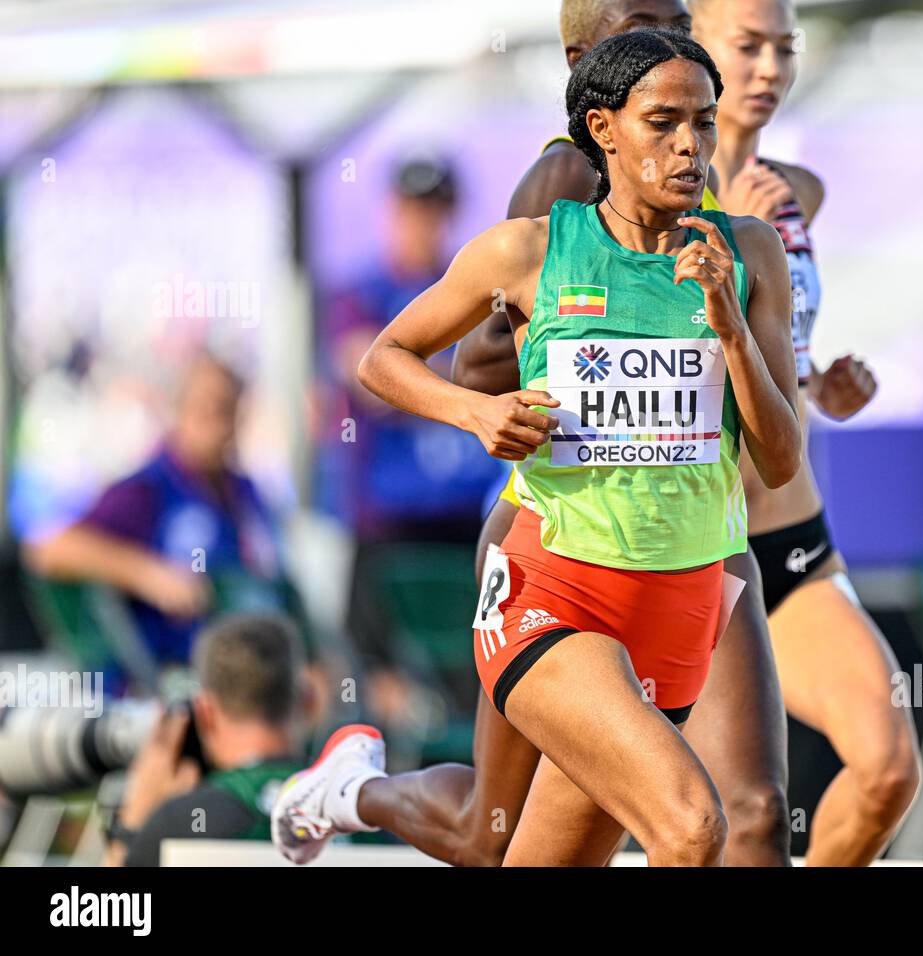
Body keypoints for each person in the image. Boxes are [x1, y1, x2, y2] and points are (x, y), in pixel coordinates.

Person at [274, 26, 800, 866]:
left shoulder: (748, 254)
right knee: (692, 826)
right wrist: (475, 414)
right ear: (603, 129)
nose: (689, 145)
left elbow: (779, 461)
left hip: (682, 607)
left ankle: (346, 791)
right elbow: (384, 359)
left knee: (499, 846)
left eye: (703, 123)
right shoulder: (530, 248)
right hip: (555, 588)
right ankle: (352, 788)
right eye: (663, 122)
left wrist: (732, 333)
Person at [687, 0, 922, 866]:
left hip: (789, 537)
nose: (769, 70)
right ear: (695, 43)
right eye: (746, 46)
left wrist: (826, 387)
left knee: (889, 768)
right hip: (689, 549)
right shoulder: (659, 191)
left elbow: (780, 364)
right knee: (738, 823)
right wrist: (726, 227)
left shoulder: (796, 191)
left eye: (784, 49)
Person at [316, 157, 500, 725]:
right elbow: (369, 375)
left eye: (434, 209)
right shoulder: (362, 291)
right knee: (371, 684)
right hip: (387, 526)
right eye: (413, 209)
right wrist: (459, 381)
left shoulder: (467, 284)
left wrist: (415, 372)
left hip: (462, 520)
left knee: (476, 679)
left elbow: (502, 366)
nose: (423, 223)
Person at [23, 354, 281, 672]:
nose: (219, 423)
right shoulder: (147, 489)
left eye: (228, 409)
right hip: (173, 675)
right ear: (181, 410)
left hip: (255, 672)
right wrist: (148, 574)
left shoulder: (247, 493)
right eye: (208, 408)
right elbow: (48, 548)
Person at [103, 613, 310, 867]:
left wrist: (133, 823)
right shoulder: (359, 813)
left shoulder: (180, 823)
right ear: (305, 702)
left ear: (206, 713)